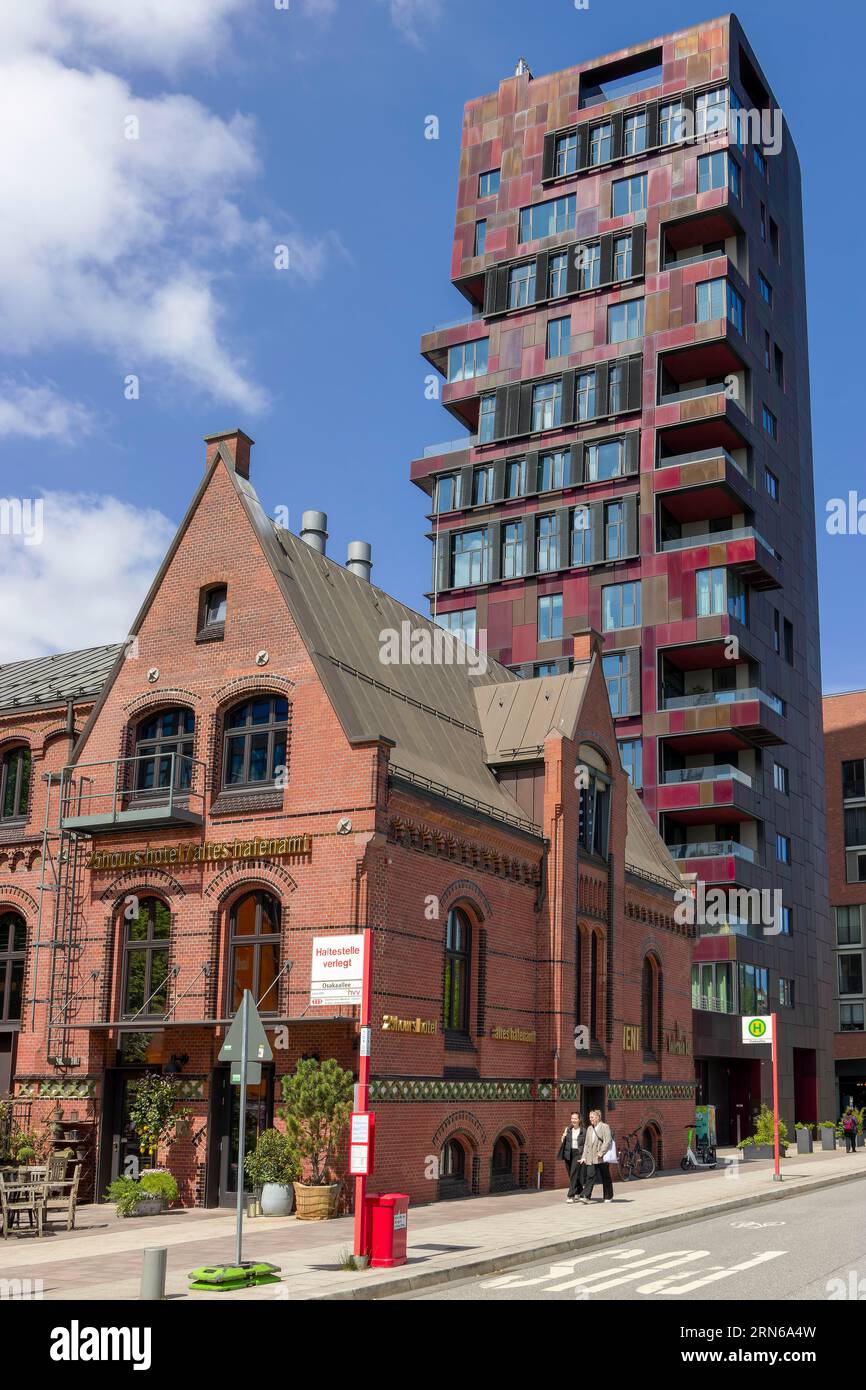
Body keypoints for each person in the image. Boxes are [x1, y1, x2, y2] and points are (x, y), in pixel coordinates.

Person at [579, 1108, 614, 1203]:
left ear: (598, 1117)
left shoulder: (605, 1127)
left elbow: (607, 1141)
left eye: (592, 1117)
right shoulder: (590, 1128)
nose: (590, 1119)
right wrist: (583, 1157)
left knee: (605, 1176)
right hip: (591, 1157)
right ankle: (585, 1196)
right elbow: (586, 1144)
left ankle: (608, 1196)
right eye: (590, 1117)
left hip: (601, 1157)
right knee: (590, 1176)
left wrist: (601, 1152)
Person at [557, 1112, 586, 1202]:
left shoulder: (583, 1131)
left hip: (578, 1154)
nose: (573, 1120)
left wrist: (584, 1156)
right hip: (568, 1153)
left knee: (573, 1173)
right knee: (571, 1174)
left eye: (575, 1118)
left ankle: (571, 1196)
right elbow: (563, 1141)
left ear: (579, 1120)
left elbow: (586, 1144)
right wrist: (563, 1136)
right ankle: (580, 1191)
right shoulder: (568, 1129)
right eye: (572, 1118)